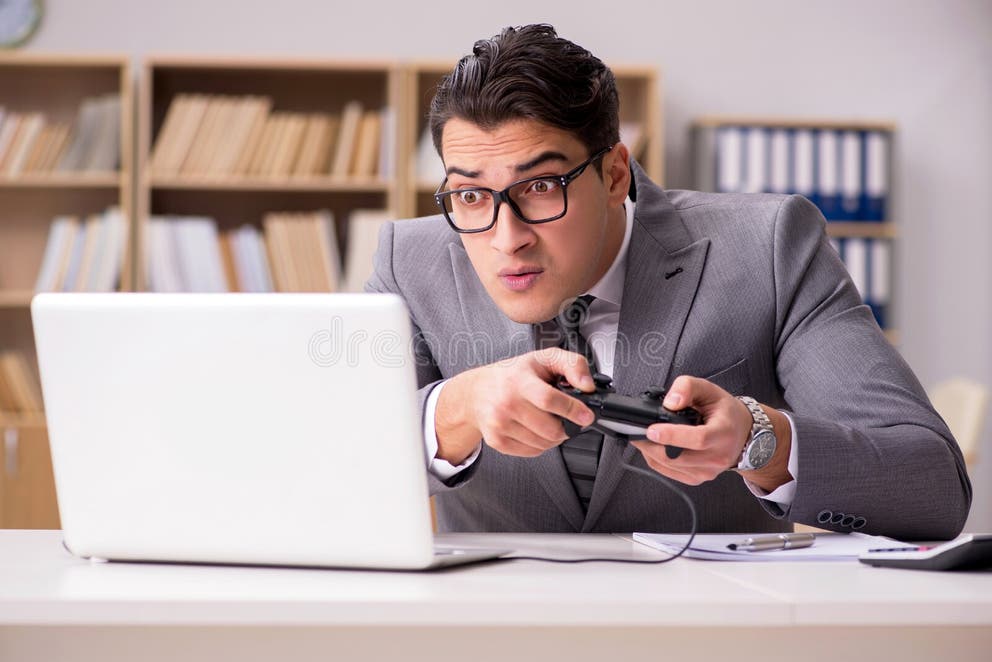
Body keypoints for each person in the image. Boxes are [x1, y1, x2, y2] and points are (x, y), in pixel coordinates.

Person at [366, 23, 971, 539]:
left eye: (540, 187)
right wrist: (452, 410)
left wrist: (761, 443)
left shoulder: (769, 247)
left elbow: (934, 488)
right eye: (471, 195)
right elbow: (304, 463)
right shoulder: (410, 260)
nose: (506, 237)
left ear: (612, 175)